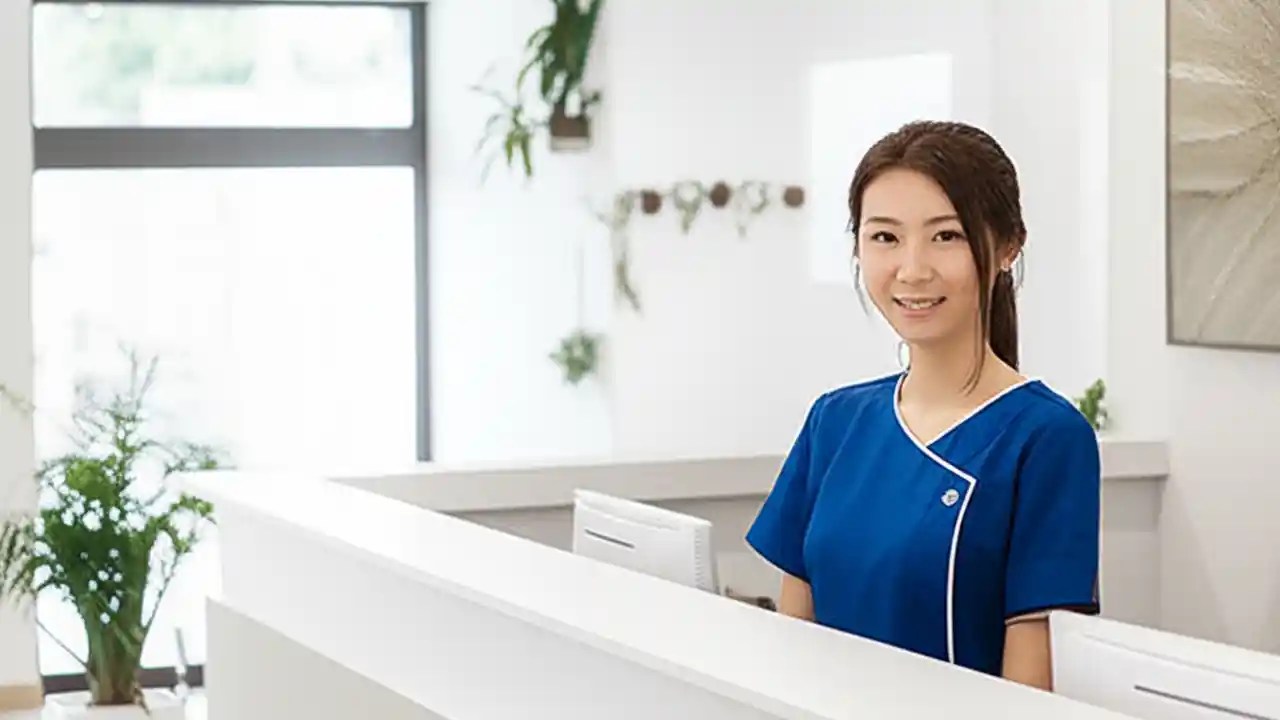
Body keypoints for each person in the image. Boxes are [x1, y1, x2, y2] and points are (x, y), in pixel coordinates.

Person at [745, 120, 1100, 691]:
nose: (912, 269)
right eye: (885, 237)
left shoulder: (1045, 438)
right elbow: (794, 643)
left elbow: (1032, 691)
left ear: (1008, 245)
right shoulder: (834, 422)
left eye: (947, 236)